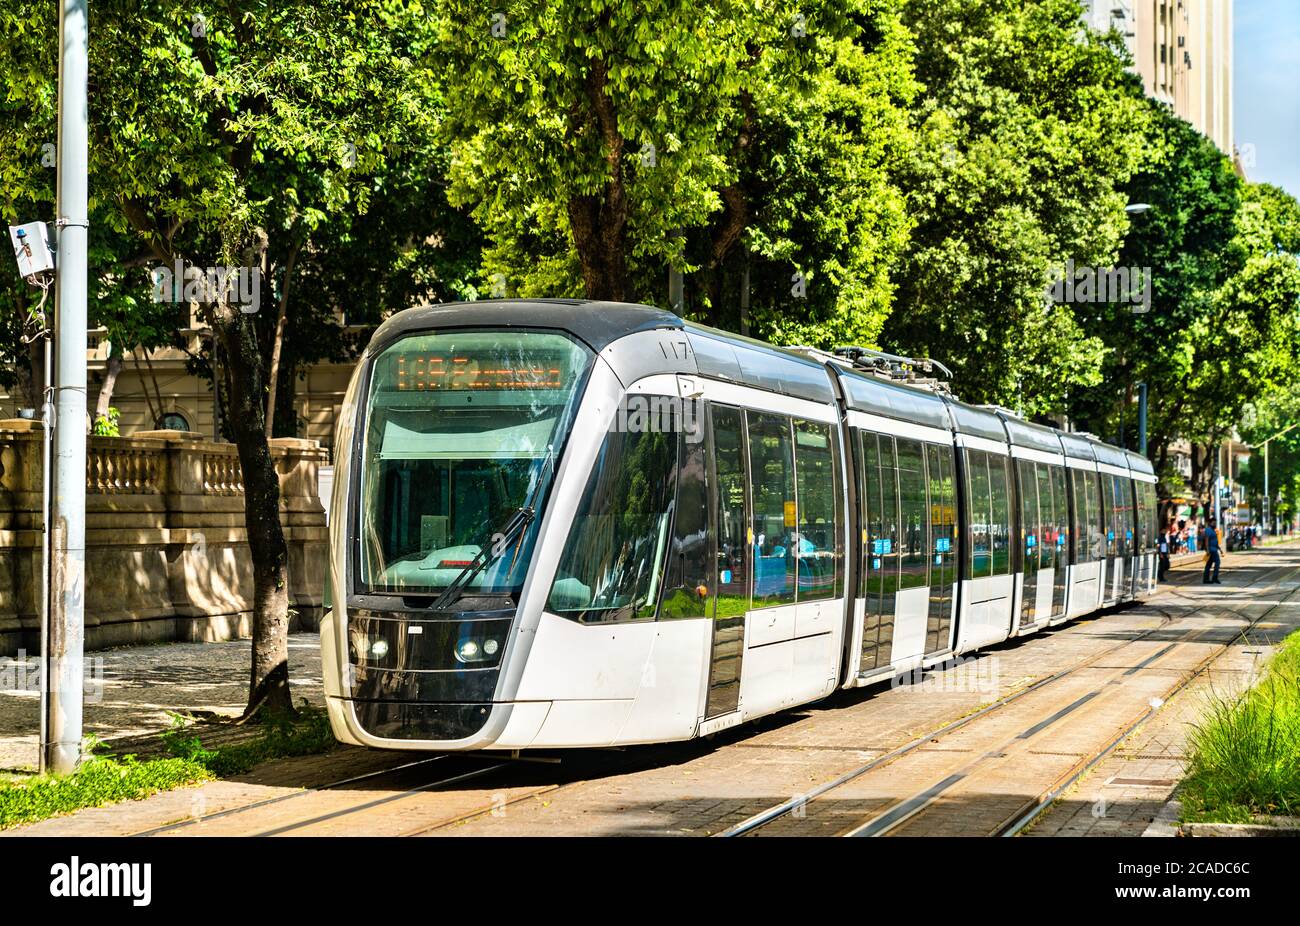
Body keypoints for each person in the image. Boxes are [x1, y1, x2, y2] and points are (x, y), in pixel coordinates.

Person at [1202, 516, 1222, 584]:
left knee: (1208, 564)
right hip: (1211, 550)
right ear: (1210, 523)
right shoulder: (1208, 530)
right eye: (1213, 523)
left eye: (1215, 523)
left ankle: (1206, 579)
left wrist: (1219, 549)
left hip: (1214, 548)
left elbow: (1215, 541)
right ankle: (1214, 578)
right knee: (1217, 562)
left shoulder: (1213, 530)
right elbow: (1206, 540)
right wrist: (1207, 550)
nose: (1215, 524)